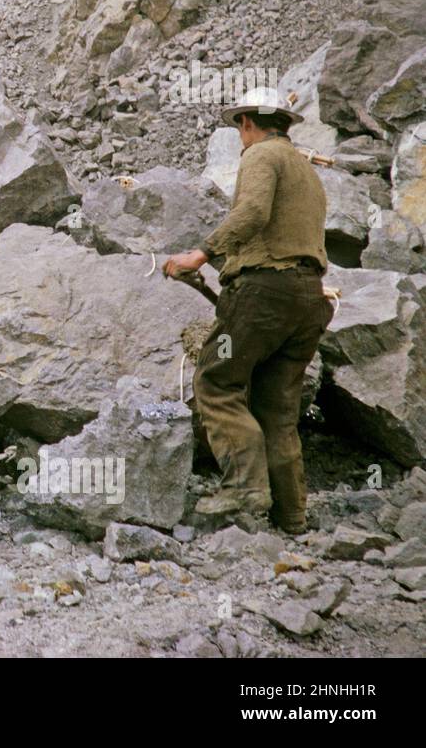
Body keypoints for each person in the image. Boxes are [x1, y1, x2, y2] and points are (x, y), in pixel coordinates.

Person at [162, 87, 333, 534]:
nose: (240, 134)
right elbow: (280, 236)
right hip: (307, 299)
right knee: (277, 408)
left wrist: (199, 255)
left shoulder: (260, 156)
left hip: (263, 294)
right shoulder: (308, 172)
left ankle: (244, 488)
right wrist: (221, 266)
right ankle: (292, 517)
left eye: (240, 126)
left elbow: (254, 213)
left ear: (247, 124)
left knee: (217, 380)